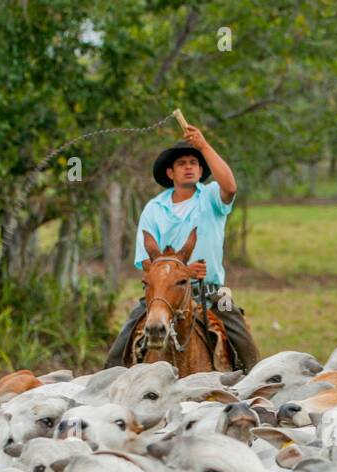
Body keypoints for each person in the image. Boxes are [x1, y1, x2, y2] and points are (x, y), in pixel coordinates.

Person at [105, 123, 259, 370]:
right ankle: (111, 386)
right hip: (163, 294)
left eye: (193, 163)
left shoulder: (210, 198)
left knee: (243, 340)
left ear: (200, 171)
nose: (189, 167)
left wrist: (203, 145)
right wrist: (183, 272)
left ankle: (252, 389)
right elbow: (146, 261)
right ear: (170, 173)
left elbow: (230, 186)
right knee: (120, 347)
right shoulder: (153, 209)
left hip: (211, 292)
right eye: (182, 164)